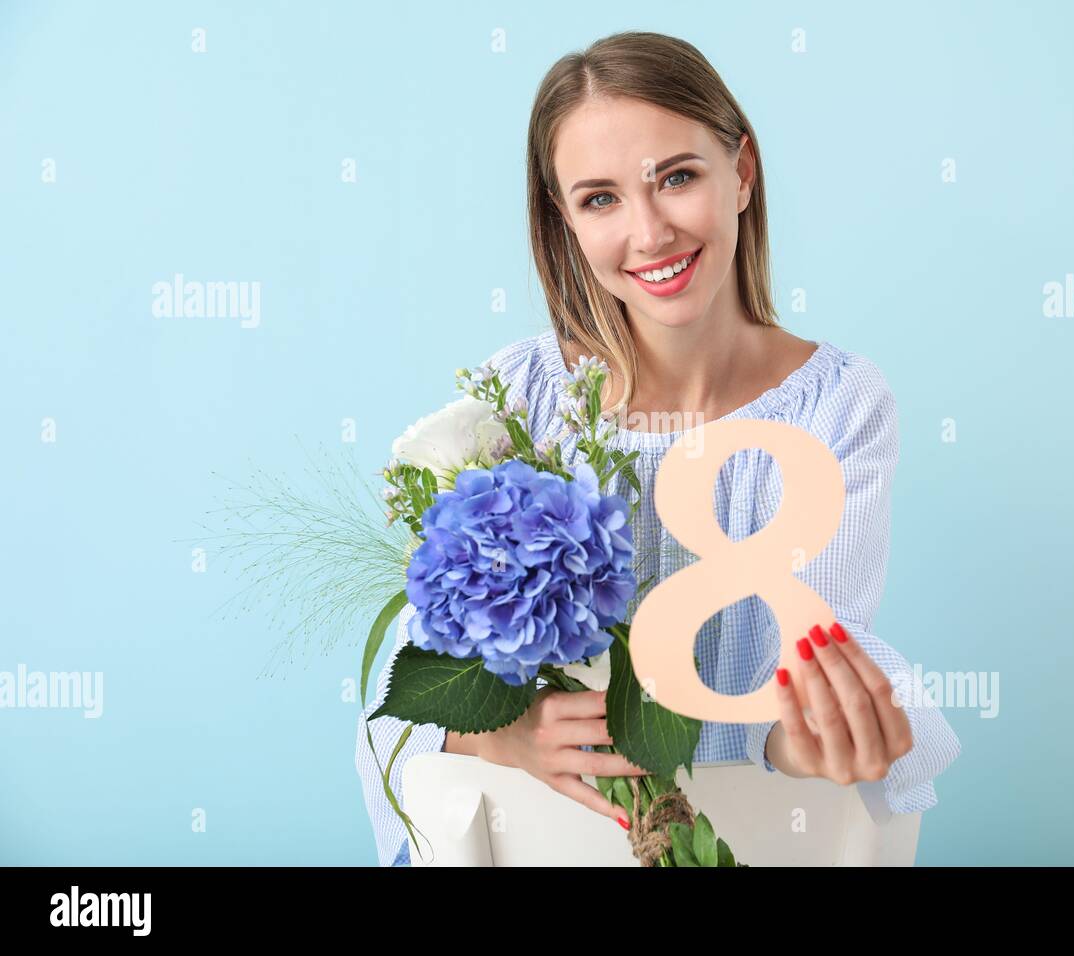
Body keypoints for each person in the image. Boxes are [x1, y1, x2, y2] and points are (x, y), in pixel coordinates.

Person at [357, 30, 961, 867]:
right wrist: (500, 737)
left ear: (741, 174)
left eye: (677, 178)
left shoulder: (841, 409)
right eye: (600, 198)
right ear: (564, 219)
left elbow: (808, 665)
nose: (649, 234)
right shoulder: (519, 401)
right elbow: (408, 698)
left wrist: (806, 742)